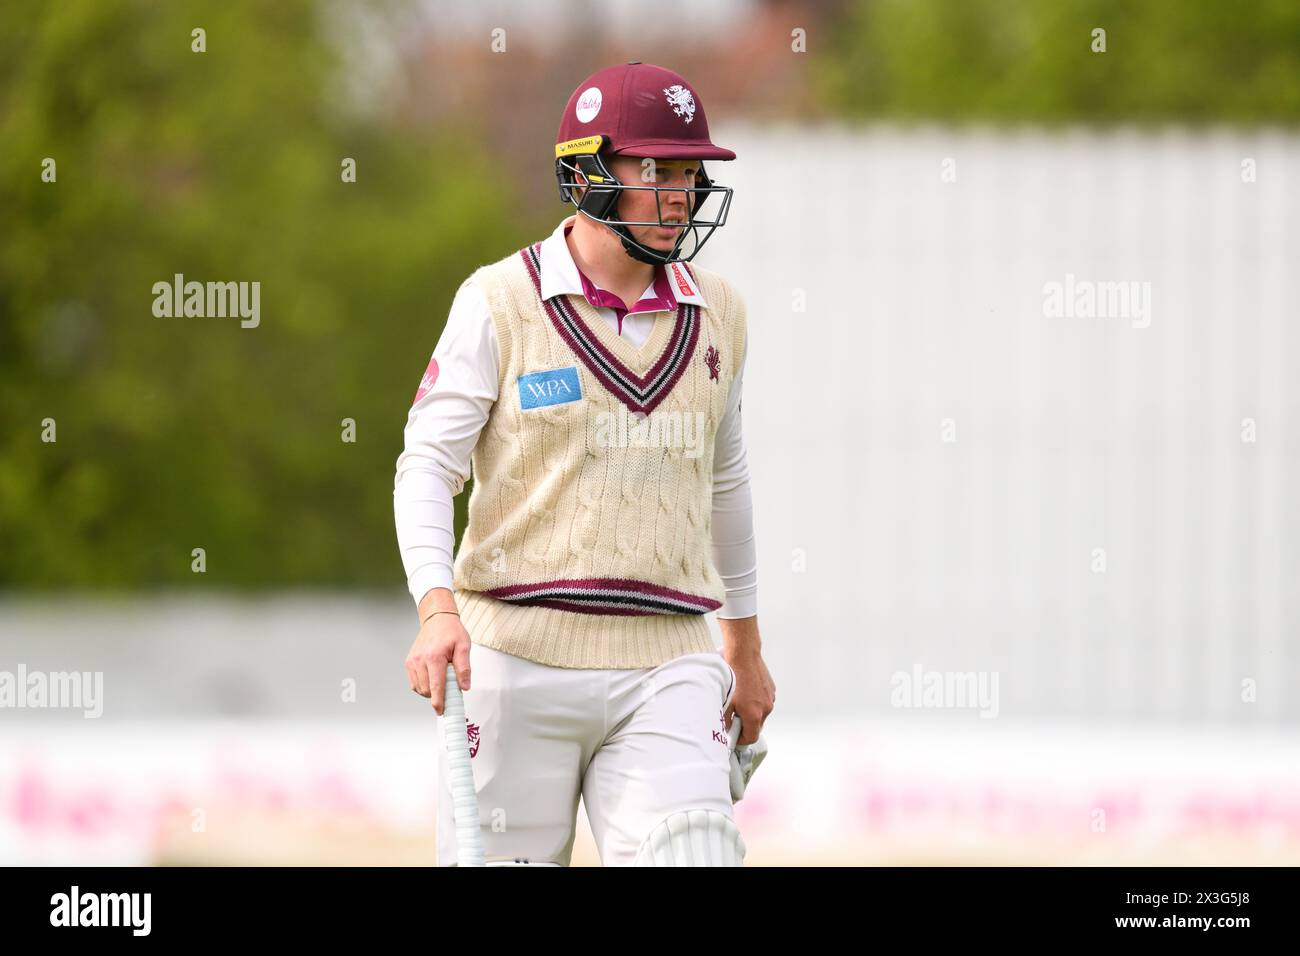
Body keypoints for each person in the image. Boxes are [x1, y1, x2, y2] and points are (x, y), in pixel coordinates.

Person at [393, 62, 774, 866]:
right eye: (654, 170)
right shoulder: (498, 300)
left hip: (668, 657)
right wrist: (436, 609)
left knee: (696, 854)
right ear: (587, 172)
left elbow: (726, 480)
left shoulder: (723, 313)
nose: (682, 191)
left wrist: (743, 643)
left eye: (688, 170)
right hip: (510, 659)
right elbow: (427, 464)